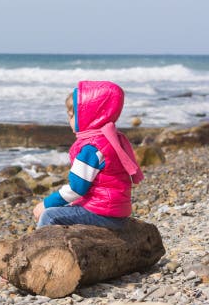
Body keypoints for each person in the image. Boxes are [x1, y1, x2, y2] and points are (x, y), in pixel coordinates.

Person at [33, 80, 144, 229]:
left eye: (72, 116)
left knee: (49, 215)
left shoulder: (92, 147)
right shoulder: (110, 138)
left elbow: (77, 188)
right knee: (67, 208)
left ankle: (41, 250)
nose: (69, 121)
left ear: (88, 115)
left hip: (104, 213)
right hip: (115, 210)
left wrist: (45, 204)